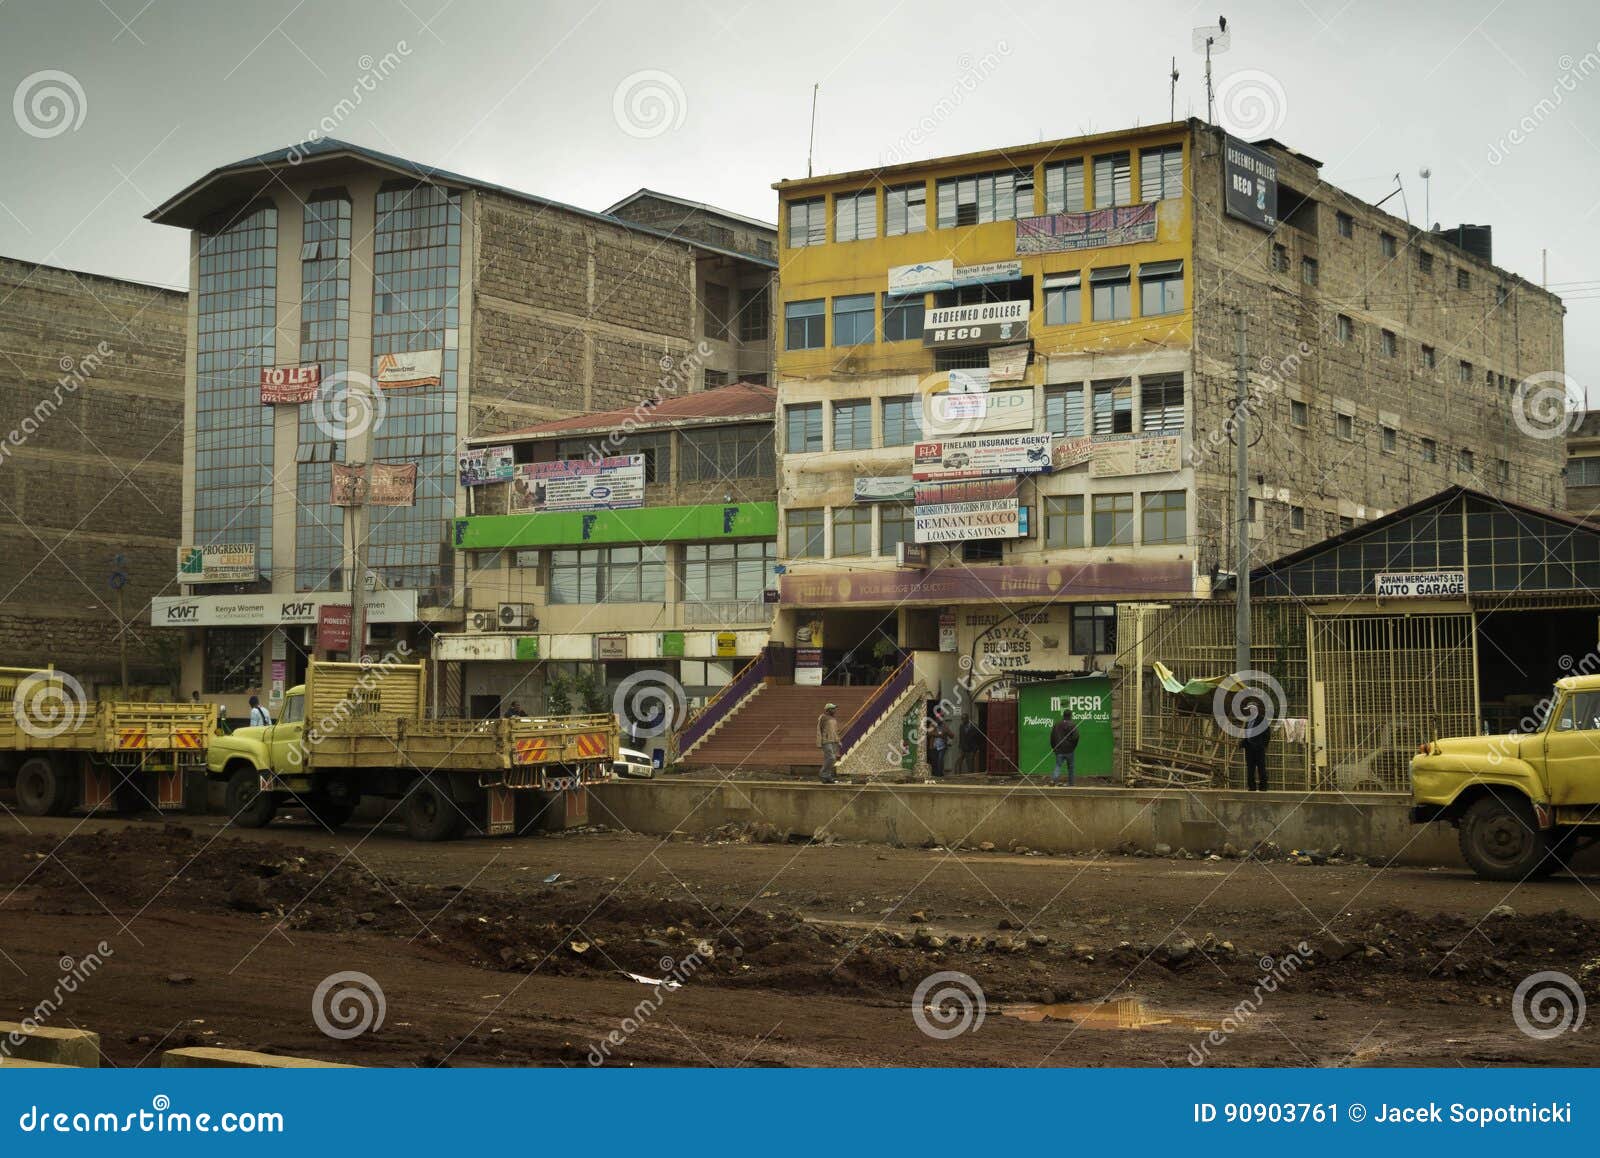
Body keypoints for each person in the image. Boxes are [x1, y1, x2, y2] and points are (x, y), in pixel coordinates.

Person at [1050, 709, 1080, 785]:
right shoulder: (1072, 725)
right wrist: (1073, 746)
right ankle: (1071, 783)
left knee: (1058, 766)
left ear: (1063, 715)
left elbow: (1052, 737)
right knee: (1071, 768)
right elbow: (1076, 737)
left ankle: (1053, 780)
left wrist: (1054, 748)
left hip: (1059, 750)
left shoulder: (1057, 724)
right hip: (1070, 750)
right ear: (1070, 716)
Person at [1241, 722, 1270, 791]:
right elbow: (1246, 735)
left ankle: (1263, 786)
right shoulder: (1248, 722)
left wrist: (1263, 745)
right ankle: (1251, 786)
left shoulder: (1262, 720)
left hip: (1259, 748)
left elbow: (1267, 733)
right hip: (1249, 748)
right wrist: (1243, 743)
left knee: (1261, 767)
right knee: (1250, 768)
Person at [817, 702, 841, 784]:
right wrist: (819, 742)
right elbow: (818, 730)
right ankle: (823, 774)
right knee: (831, 758)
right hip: (826, 741)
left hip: (834, 741)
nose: (835, 710)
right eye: (833, 709)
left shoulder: (833, 719)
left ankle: (827, 776)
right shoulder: (823, 718)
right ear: (828, 710)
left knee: (831, 759)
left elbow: (835, 732)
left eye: (835, 708)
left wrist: (838, 741)